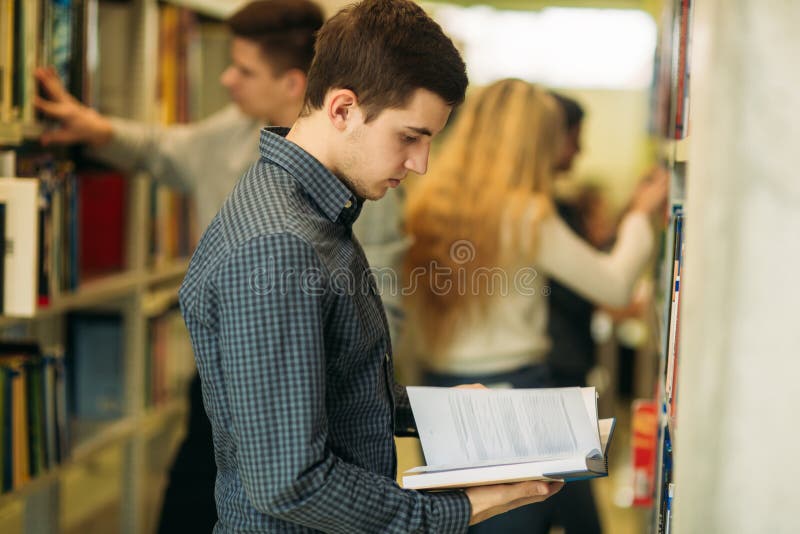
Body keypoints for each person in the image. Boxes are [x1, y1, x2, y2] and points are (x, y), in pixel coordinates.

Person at [178, 1, 564, 531]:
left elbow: (325, 390)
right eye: (409, 136)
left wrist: (431, 411)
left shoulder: (315, 211)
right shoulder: (278, 245)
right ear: (342, 109)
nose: (420, 164)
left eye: (429, 140)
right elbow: (291, 482)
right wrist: (463, 508)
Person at [34, 2, 327, 531]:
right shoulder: (235, 131)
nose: (226, 78)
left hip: (302, 394)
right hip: (220, 381)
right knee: (187, 512)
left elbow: (378, 295)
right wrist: (95, 128)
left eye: (243, 70)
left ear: (292, 83)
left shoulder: (347, 164)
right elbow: (165, 148)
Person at [403, 79, 667, 534]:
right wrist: (641, 216)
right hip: (512, 396)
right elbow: (614, 287)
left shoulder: (426, 202)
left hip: (437, 396)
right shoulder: (523, 213)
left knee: (458, 523)